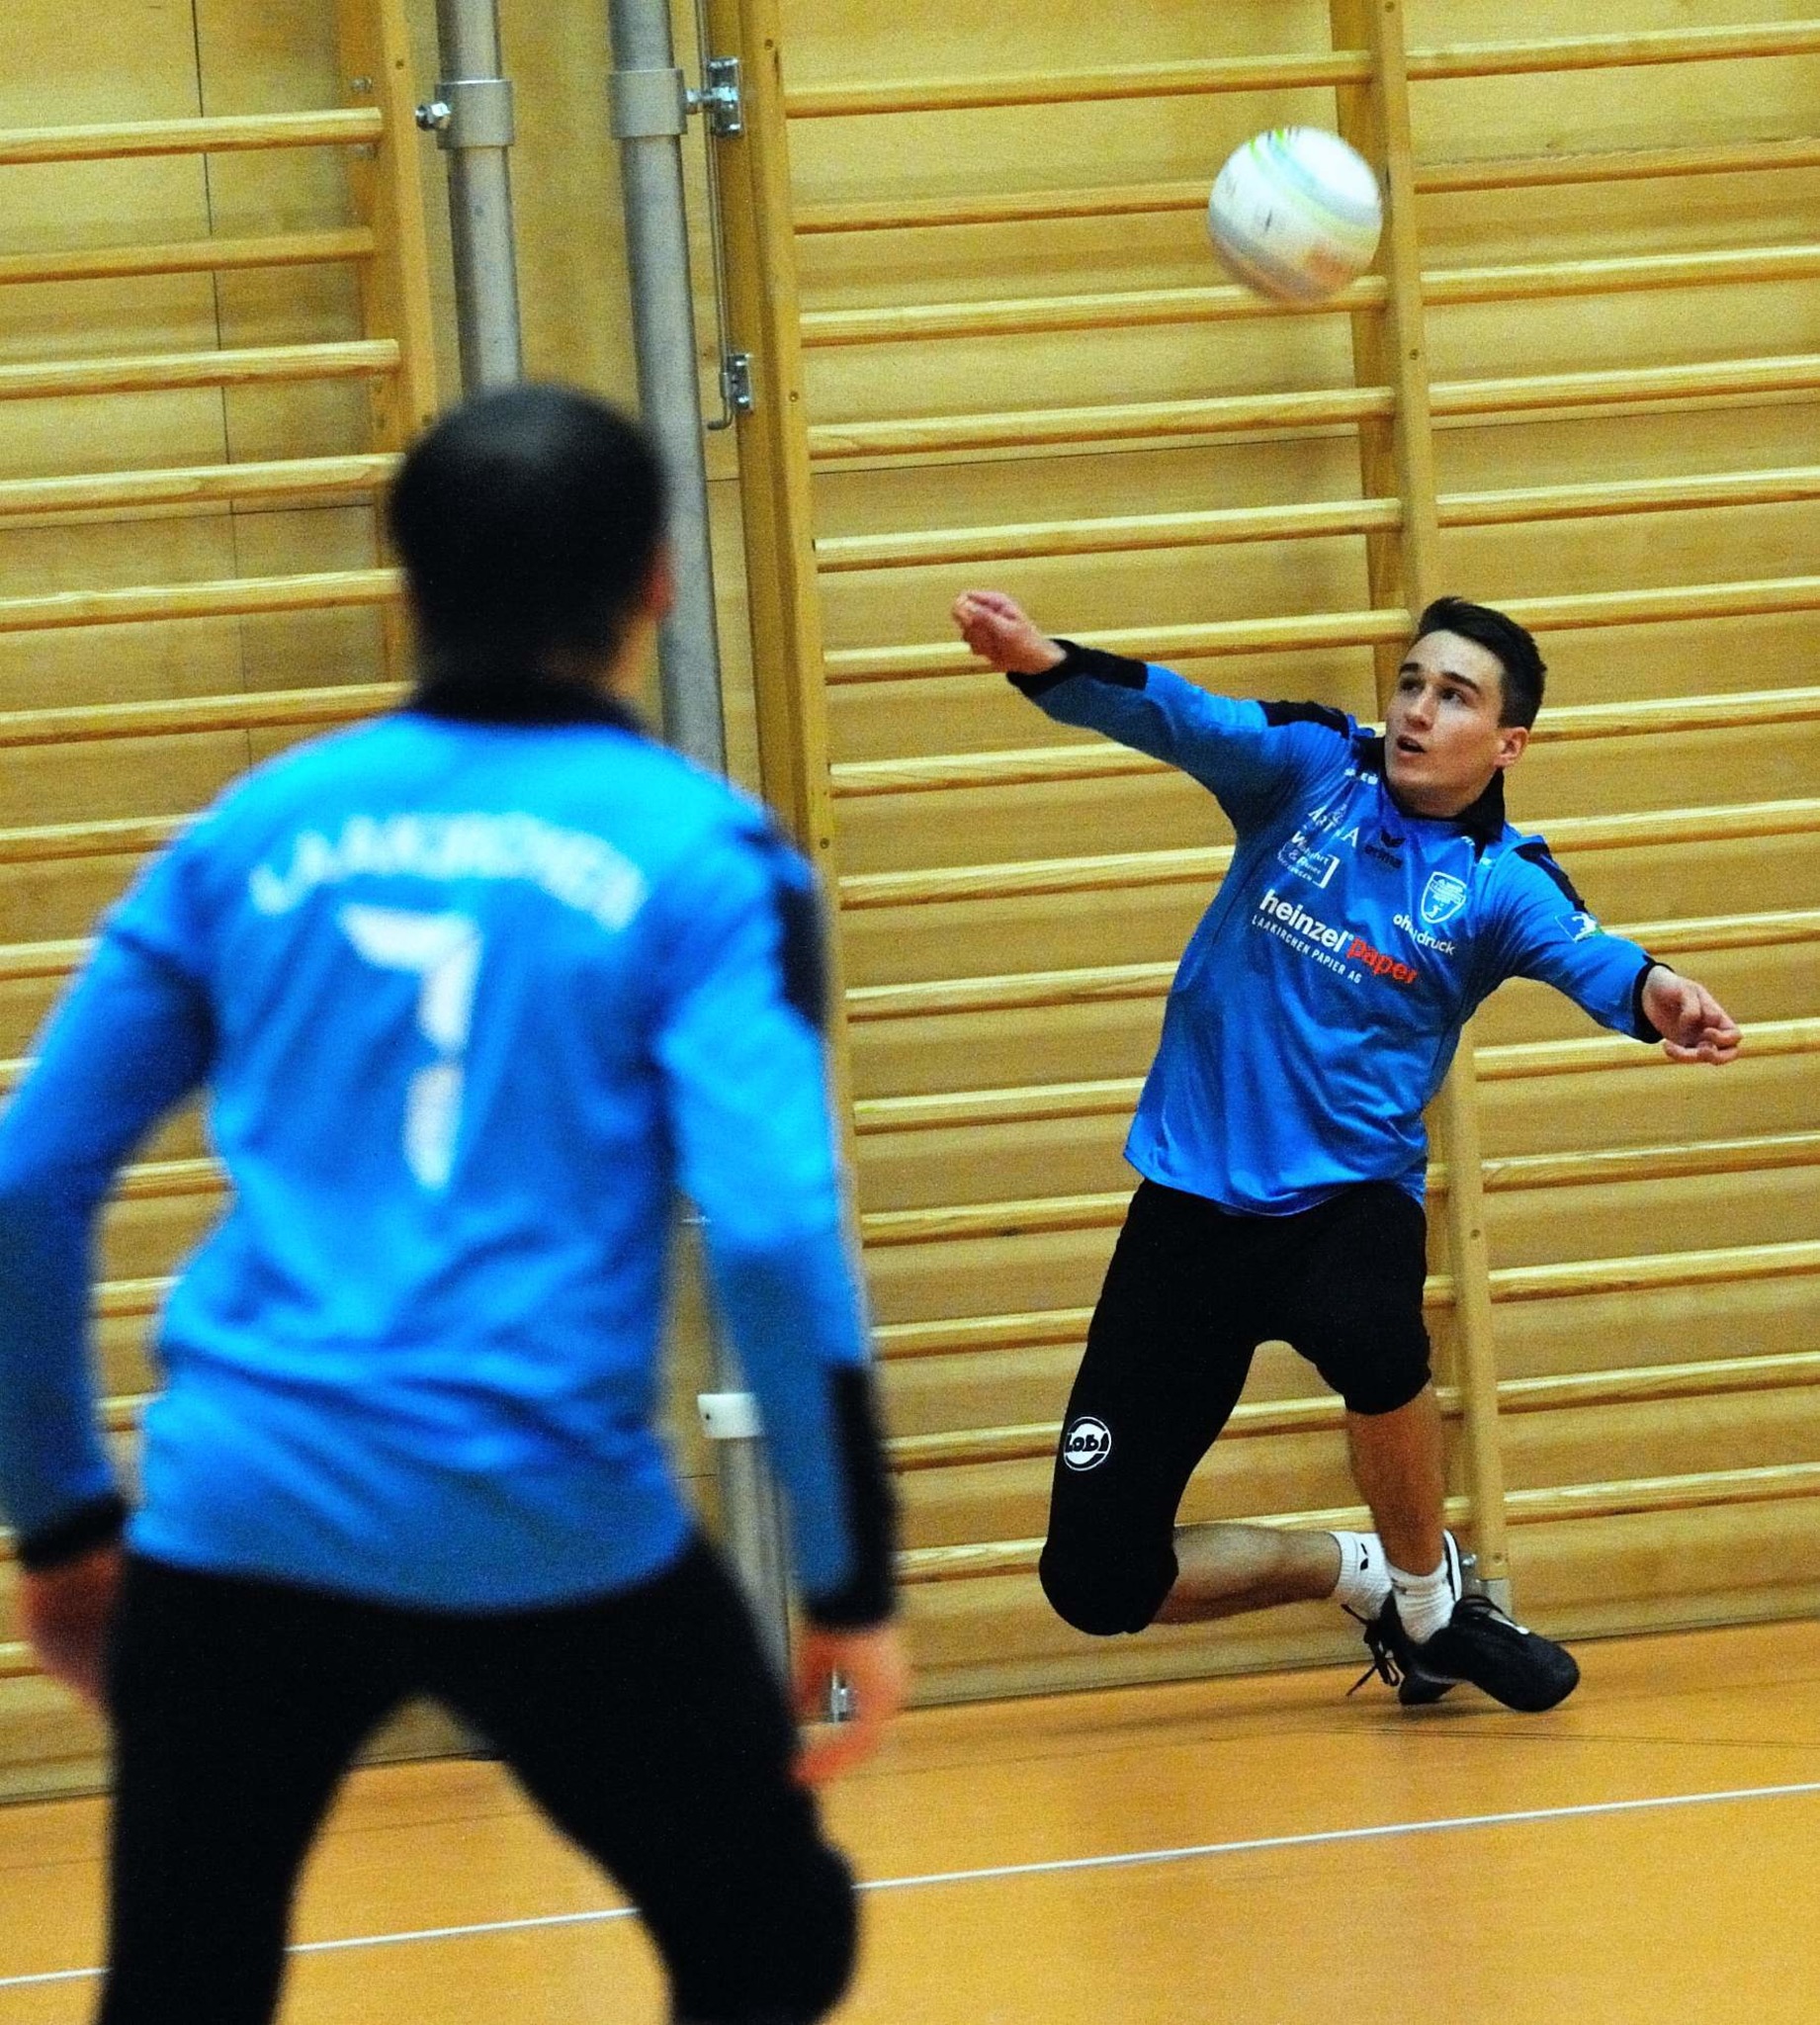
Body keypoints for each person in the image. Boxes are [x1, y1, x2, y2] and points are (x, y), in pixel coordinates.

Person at [0, 384, 907, 2025]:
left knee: (183, 1986)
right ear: (657, 582)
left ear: (406, 581)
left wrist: (63, 1521)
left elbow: (27, 1175)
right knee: (772, 1942)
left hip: (243, 1514)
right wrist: (848, 1583)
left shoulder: (251, 833)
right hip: (547, 1518)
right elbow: (772, 1231)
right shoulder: (711, 860)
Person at [953, 586, 1740, 1713]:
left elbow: (1593, 954)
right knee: (1094, 1579)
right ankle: (1356, 1571)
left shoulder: (1497, 879)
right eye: (1411, 681)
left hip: (1344, 1202)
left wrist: (1657, 993)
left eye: (1453, 695)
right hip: (1187, 1208)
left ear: (1506, 741)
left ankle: (1428, 1600)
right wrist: (1048, 661)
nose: (1417, 708)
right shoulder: (1312, 768)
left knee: (1374, 1334)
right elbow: (1185, 716)